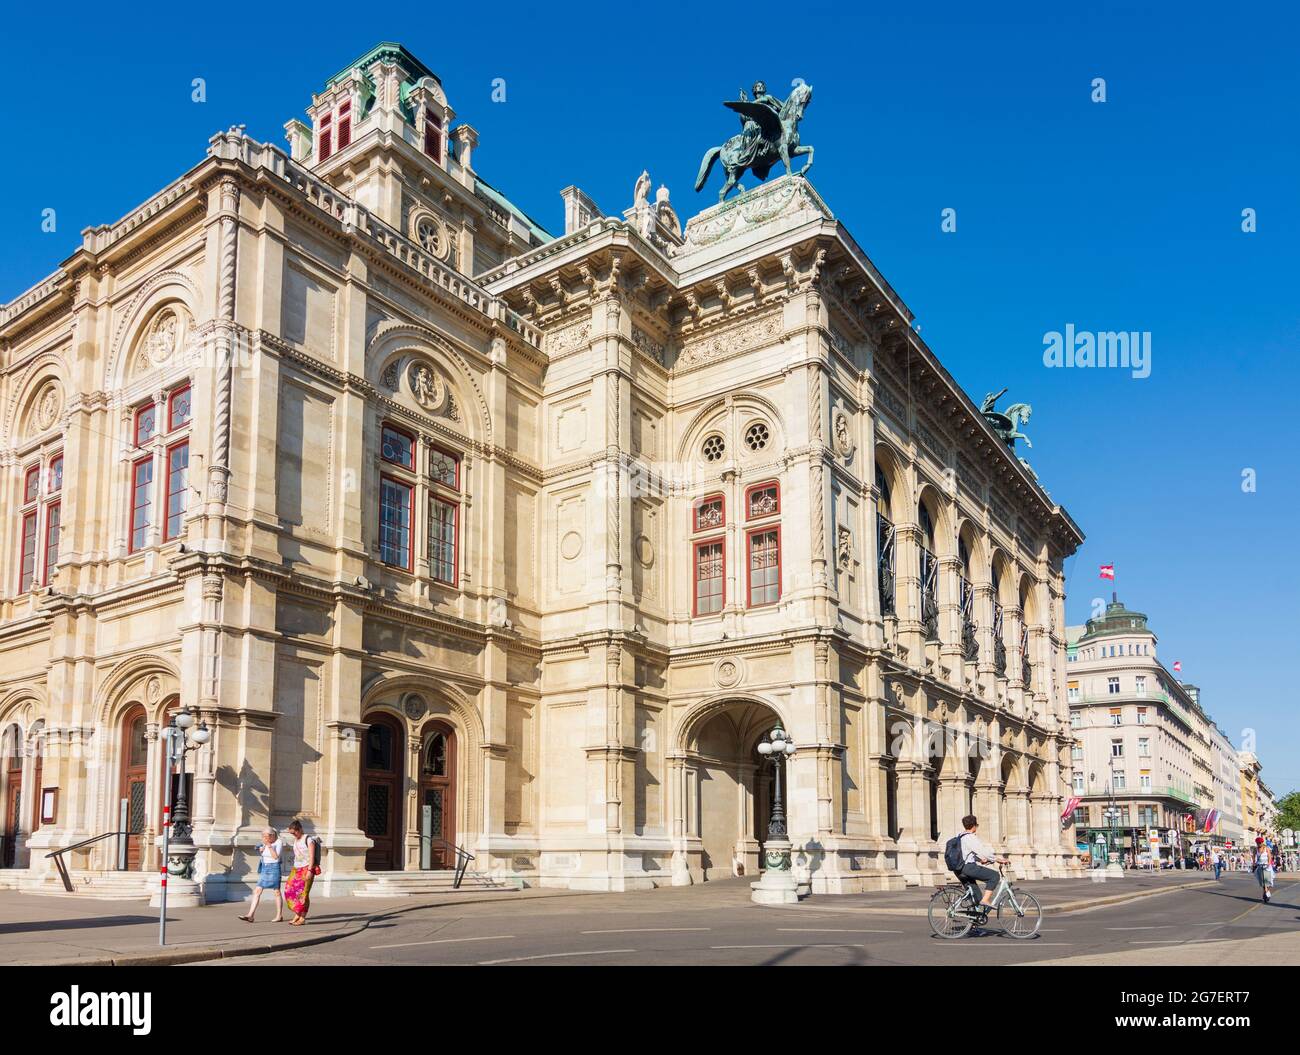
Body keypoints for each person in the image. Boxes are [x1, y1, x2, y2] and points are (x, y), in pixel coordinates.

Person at [954, 814, 1008, 915]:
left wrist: (979, 859)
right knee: (994, 876)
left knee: (976, 896)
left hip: (959, 868)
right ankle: (986, 900)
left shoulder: (960, 836)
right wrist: (997, 859)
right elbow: (983, 851)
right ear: (974, 826)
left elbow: (966, 853)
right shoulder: (970, 837)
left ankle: (974, 922)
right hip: (968, 867)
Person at [238, 828, 284, 923]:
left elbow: (276, 857)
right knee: (257, 891)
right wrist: (262, 850)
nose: (263, 838)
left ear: (272, 836)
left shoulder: (278, 842)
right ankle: (250, 915)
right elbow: (264, 854)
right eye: (262, 836)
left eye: (265, 836)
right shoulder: (264, 843)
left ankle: (279, 915)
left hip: (274, 868)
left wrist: (269, 846)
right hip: (265, 868)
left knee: (277, 892)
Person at [284, 819, 320, 926]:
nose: (293, 835)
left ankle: (302, 917)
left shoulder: (308, 840)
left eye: (294, 832)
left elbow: (312, 856)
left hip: (307, 868)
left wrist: (310, 870)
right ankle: (297, 912)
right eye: (291, 833)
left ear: (299, 829)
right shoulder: (296, 840)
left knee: (304, 893)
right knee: (289, 890)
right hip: (297, 868)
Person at [1252, 837, 1275, 903]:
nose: (1259, 844)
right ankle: (1265, 892)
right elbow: (1253, 856)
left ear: (1262, 842)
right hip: (1260, 866)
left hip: (1266, 866)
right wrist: (1254, 863)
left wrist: (1269, 864)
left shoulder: (1266, 848)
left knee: (1267, 881)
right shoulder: (1255, 849)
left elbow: (1270, 857)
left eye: (1260, 843)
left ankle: (1266, 892)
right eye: (1257, 843)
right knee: (1262, 882)